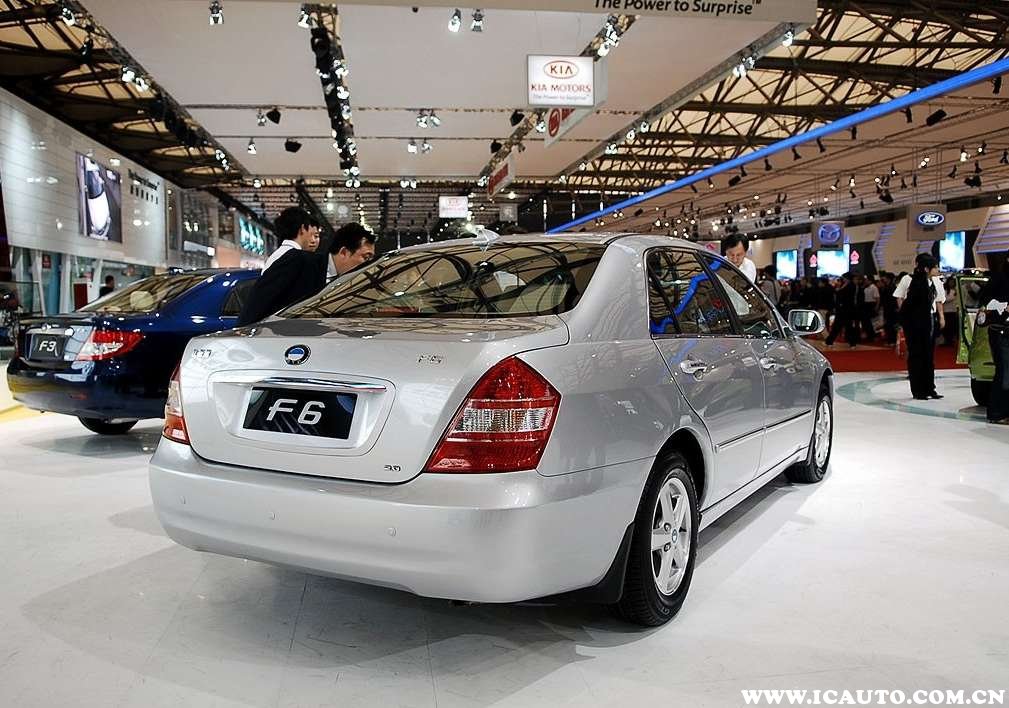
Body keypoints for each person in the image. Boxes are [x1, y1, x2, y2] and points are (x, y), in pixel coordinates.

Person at [238, 214, 375, 326]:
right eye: (366, 257)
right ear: (344, 252)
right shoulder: (298, 261)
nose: (369, 265)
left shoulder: (343, 282)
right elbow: (257, 303)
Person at [897, 254, 942, 400]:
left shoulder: (932, 282)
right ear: (927, 269)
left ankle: (929, 388)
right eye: (935, 267)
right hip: (916, 324)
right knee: (917, 355)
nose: (938, 269)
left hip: (928, 321)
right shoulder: (915, 283)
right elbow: (907, 305)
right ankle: (918, 390)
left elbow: (937, 301)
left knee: (928, 356)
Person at [982, 250, 1009, 424]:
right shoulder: (999, 278)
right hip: (1000, 330)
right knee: (1004, 371)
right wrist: (1004, 306)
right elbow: (985, 300)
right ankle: (997, 413)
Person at [825, 273, 859, 348]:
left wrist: (839, 290)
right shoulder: (844, 285)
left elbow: (844, 295)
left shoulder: (851, 286)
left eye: (844, 278)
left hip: (847, 309)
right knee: (838, 326)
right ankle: (830, 341)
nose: (842, 279)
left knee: (847, 326)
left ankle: (852, 343)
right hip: (842, 309)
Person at [860, 274, 880, 342]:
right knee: (865, 321)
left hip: (871, 305)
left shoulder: (874, 287)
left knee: (868, 322)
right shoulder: (865, 288)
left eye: (866, 280)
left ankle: (872, 335)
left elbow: (877, 298)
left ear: (870, 280)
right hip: (865, 305)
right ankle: (868, 335)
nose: (865, 281)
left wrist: (876, 307)